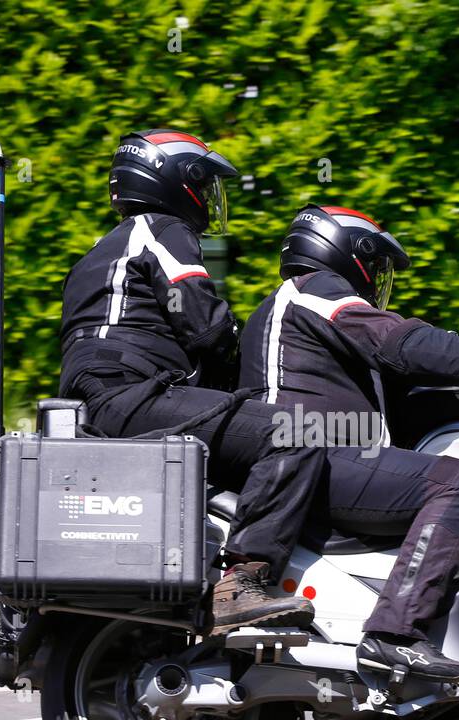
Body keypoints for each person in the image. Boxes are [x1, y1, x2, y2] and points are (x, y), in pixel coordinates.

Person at [240, 205, 459, 682]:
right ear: (348, 253)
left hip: (319, 459)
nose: (379, 281)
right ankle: (394, 635)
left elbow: (414, 393)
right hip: (314, 461)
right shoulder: (314, 293)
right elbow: (407, 345)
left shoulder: (311, 320)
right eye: (377, 265)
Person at [59, 130, 324, 633]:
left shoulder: (101, 249)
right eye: (202, 187)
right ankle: (241, 583)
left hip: (101, 399)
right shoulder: (161, 228)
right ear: (172, 182)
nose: (206, 200)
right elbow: (202, 322)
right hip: (130, 392)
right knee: (295, 433)